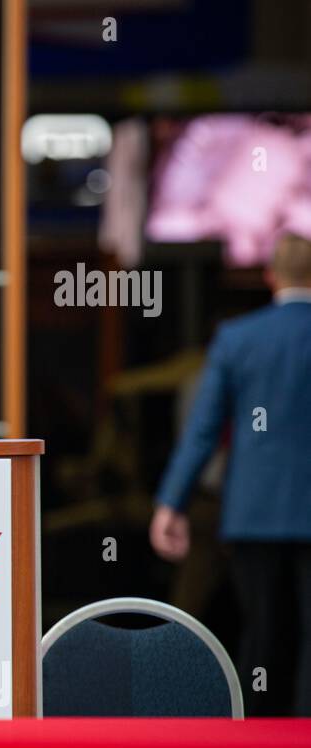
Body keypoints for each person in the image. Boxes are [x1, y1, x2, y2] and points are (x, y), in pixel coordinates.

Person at [151, 232, 311, 717]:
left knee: (261, 630)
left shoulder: (237, 340)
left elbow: (202, 433)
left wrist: (170, 503)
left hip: (252, 512)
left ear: (269, 275)